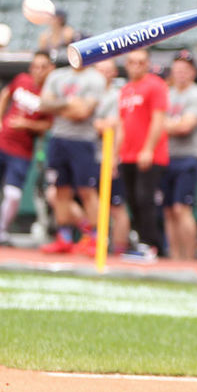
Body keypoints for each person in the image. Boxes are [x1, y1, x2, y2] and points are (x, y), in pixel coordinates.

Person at [38, 58, 105, 255]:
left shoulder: (95, 78)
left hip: (83, 141)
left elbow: (83, 112)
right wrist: (68, 103)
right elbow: (43, 105)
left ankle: (96, 239)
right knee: (60, 190)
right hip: (59, 138)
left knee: (86, 190)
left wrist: (57, 106)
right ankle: (64, 238)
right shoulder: (57, 75)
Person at [0, 51, 54, 245]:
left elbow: (48, 125)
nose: (38, 71)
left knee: (13, 194)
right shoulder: (21, 79)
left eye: (43, 67)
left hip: (21, 151)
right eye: (35, 66)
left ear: (50, 69)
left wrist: (27, 124)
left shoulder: (50, 94)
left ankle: (1, 233)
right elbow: (5, 94)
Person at [117, 49, 169, 262]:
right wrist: (115, 154)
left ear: (147, 64)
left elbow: (158, 120)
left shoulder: (155, 85)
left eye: (140, 62)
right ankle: (142, 242)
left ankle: (152, 245)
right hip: (128, 155)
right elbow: (122, 124)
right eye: (132, 62)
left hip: (150, 155)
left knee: (145, 199)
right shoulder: (126, 89)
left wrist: (148, 149)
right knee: (132, 200)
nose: (136, 66)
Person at [161, 49, 197, 260]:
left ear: (193, 72)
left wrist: (164, 125)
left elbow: (185, 127)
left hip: (188, 156)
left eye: (185, 69)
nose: (180, 73)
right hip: (166, 157)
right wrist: (169, 124)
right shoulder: (167, 93)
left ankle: (189, 258)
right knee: (168, 210)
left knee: (182, 208)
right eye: (177, 69)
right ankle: (174, 258)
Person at [92, 58, 131, 254]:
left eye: (108, 70)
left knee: (116, 207)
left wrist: (114, 157)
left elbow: (116, 126)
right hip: (88, 156)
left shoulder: (117, 95)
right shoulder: (90, 91)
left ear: (115, 73)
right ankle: (93, 243)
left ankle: (119, 250)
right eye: (101, 70)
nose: (104, 74)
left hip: (107, 157)